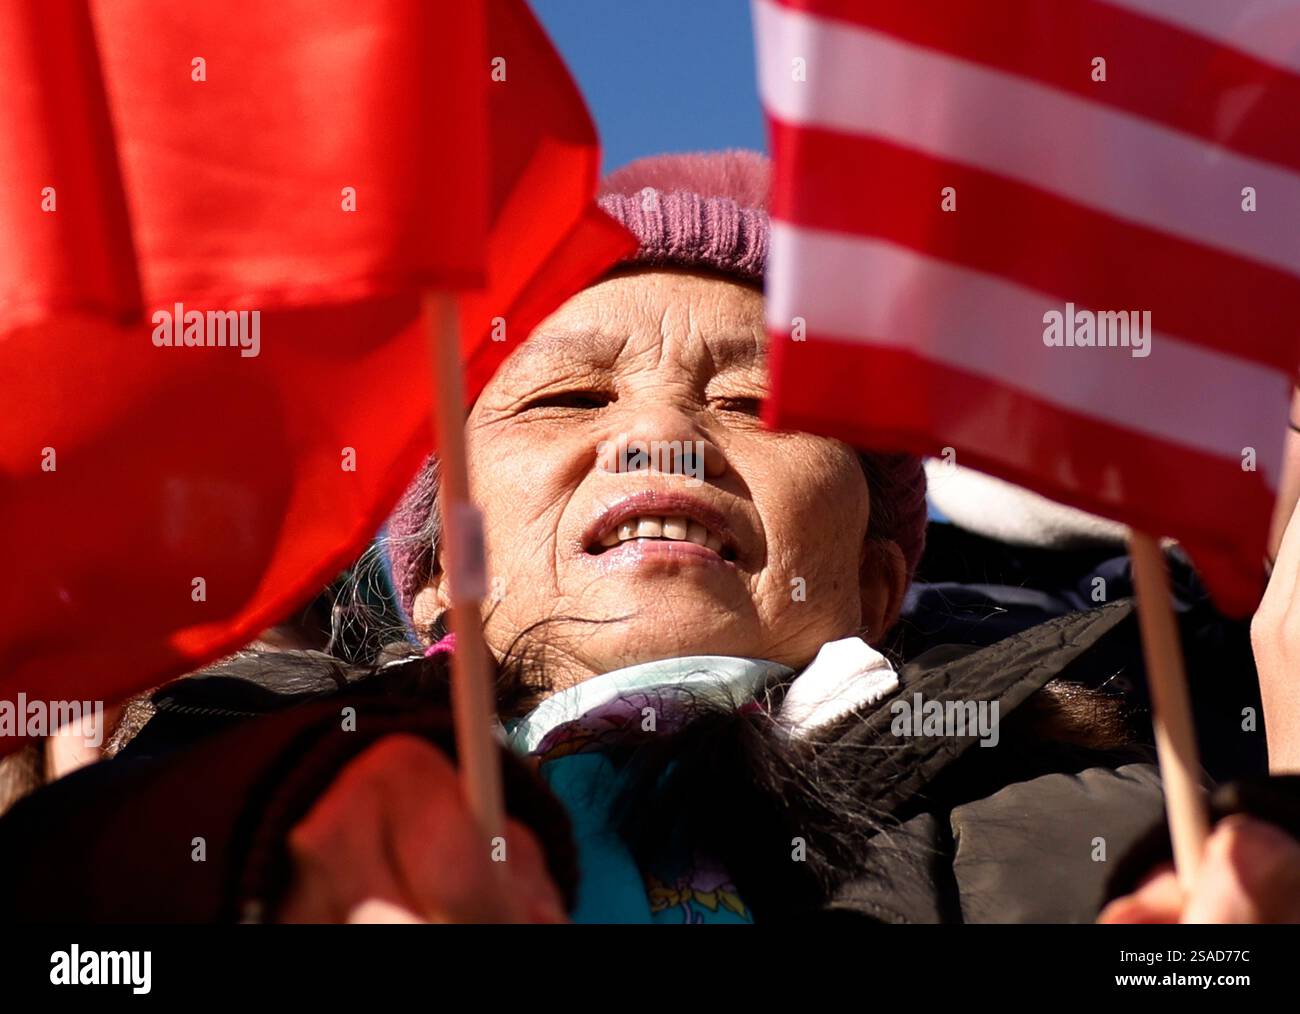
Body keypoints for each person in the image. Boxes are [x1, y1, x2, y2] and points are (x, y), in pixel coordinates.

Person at [3, 151, 1299, 924]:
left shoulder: (1130, 811)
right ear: (440, 564)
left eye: (750, 401)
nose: (662, 435)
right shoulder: (212, 775)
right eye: (568, 394)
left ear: (879, 573)